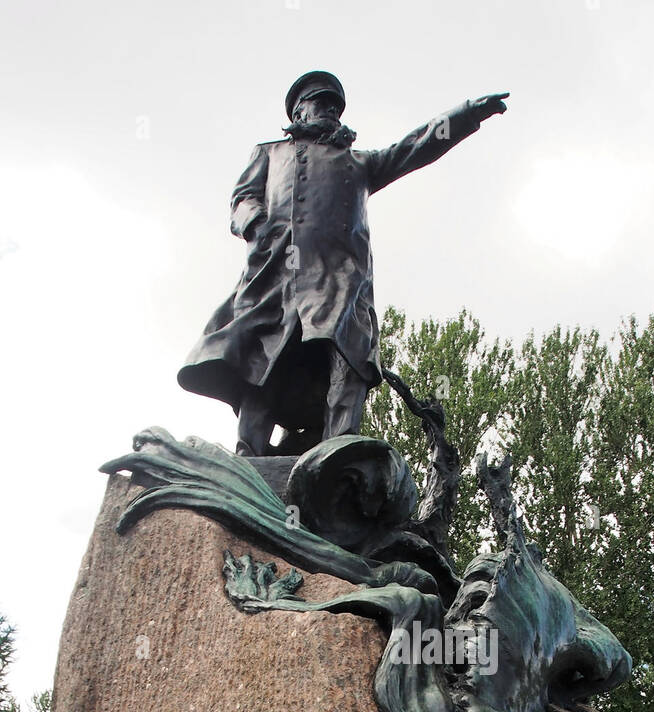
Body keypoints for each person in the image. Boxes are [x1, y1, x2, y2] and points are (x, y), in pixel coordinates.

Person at [177, 71, 508, 456]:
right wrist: (256, 224)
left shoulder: (360, 163)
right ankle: (248, 452)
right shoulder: (270, 153)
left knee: (347, 361)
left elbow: (414, 147)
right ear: (299, 112)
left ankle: (337, 452)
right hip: (276, 274)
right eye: (321, 103)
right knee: (265, 359)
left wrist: (466, 115)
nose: (330, 111)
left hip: (341, 280)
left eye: (335, 106)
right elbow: (243, 198)